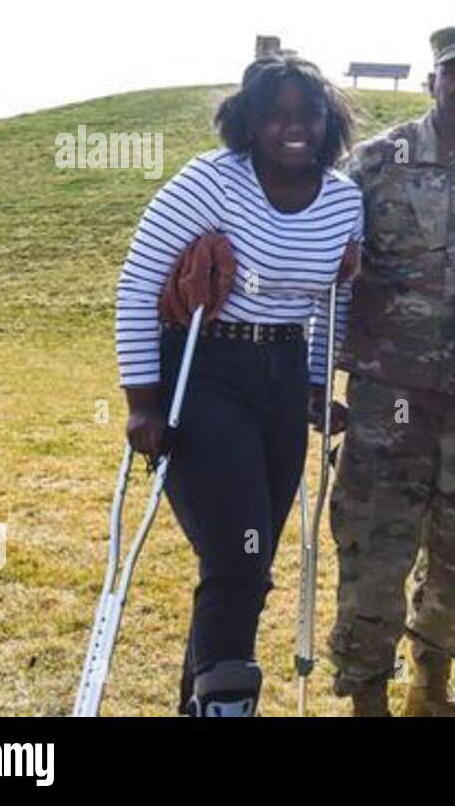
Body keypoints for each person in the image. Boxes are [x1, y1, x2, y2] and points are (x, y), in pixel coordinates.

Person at [115, 54, 363, 715]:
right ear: (249, 123)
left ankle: (202, 702)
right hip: (205, 372)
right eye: (274, 113)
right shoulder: (211, 181)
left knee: (248, 564)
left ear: (326, 122)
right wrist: (142, 401)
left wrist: (315, 388)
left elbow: (329, 302)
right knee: (236, 555)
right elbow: (138, 284)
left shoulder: (344, 199)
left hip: (281, 374)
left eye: (306, 114)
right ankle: (226, 706)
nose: (292, 127)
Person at [329, 25, 455, 716]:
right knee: (375, 541)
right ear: (432, 81)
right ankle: (367, 696)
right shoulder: (379, 162)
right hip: (390, 396)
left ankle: (431, 686)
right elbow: (328, 256)